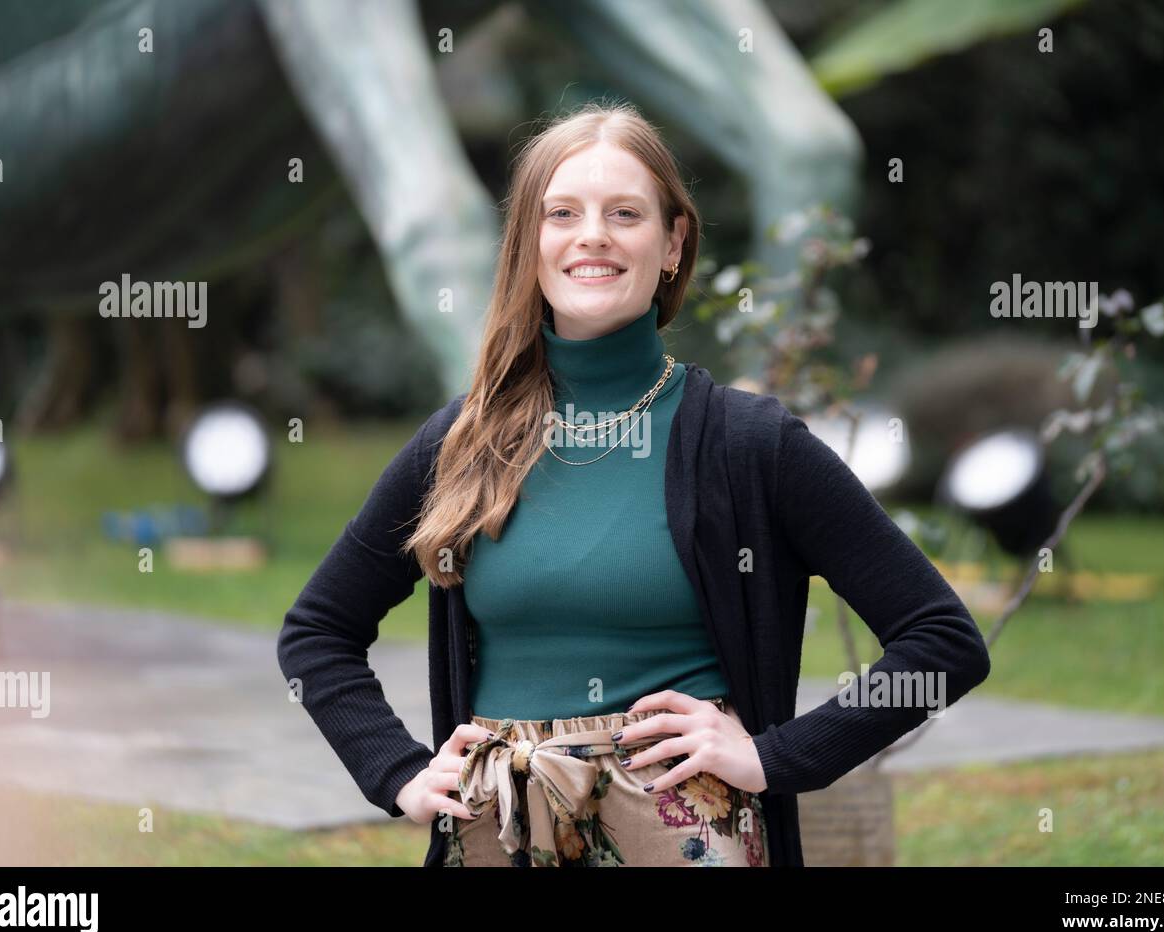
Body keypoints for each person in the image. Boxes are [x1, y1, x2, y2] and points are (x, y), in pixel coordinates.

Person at [277, 100, 991, 867]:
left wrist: (777, 757)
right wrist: (399, 772)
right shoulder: (461, 443)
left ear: (674, 243)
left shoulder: (750, 445)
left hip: (680, 832)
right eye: (563, 213)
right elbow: (318, 631)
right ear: (529, 244)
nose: (593, 236)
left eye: (625, 213)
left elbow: (942, 642)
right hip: (499, 832)